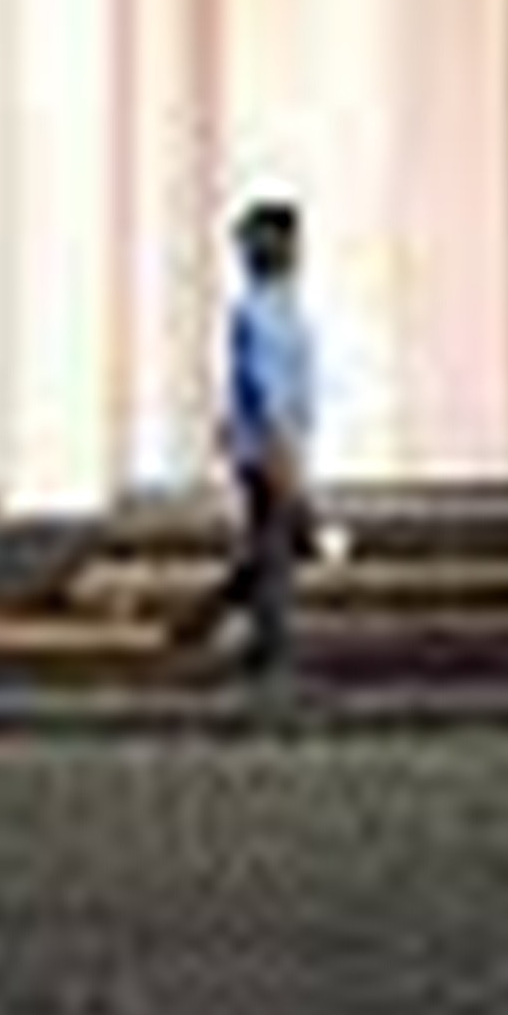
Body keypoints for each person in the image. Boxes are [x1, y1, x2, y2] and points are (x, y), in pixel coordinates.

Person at [216, 198, 319, 676]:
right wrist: (284, 452)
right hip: (267, 444)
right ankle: (269, 647)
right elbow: (268, 386)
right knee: (276, 548)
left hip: (267, 440)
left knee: (268, 541)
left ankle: (228, 614)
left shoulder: (273, 307)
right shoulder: (264, 312)